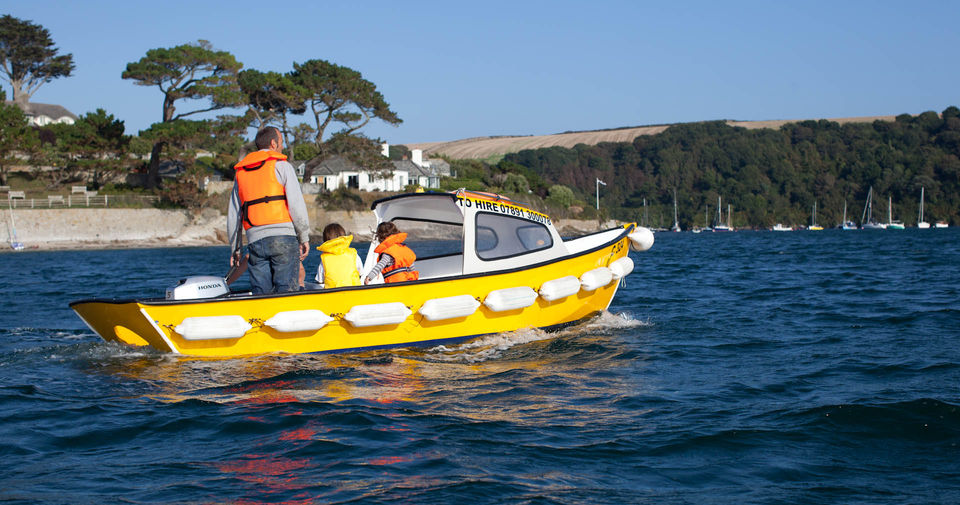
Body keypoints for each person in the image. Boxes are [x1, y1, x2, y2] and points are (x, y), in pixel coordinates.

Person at [227, 126, 310, 294]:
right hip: (283, 238)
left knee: (261, 294)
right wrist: (304, 236)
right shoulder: (282, 166)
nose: (282, 147)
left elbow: (234, 215)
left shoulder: (240, 174)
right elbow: (296, 204)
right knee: (286, 292)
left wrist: (235, 249)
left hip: (255, 241)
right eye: (281, 143)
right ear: (273, 143)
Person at [315, 223, 363, 288]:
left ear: (325, 241)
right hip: (354, 291)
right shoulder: (353, 254)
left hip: (333, 293)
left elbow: (320, 281)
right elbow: (361, 273)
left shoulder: (325, 259)